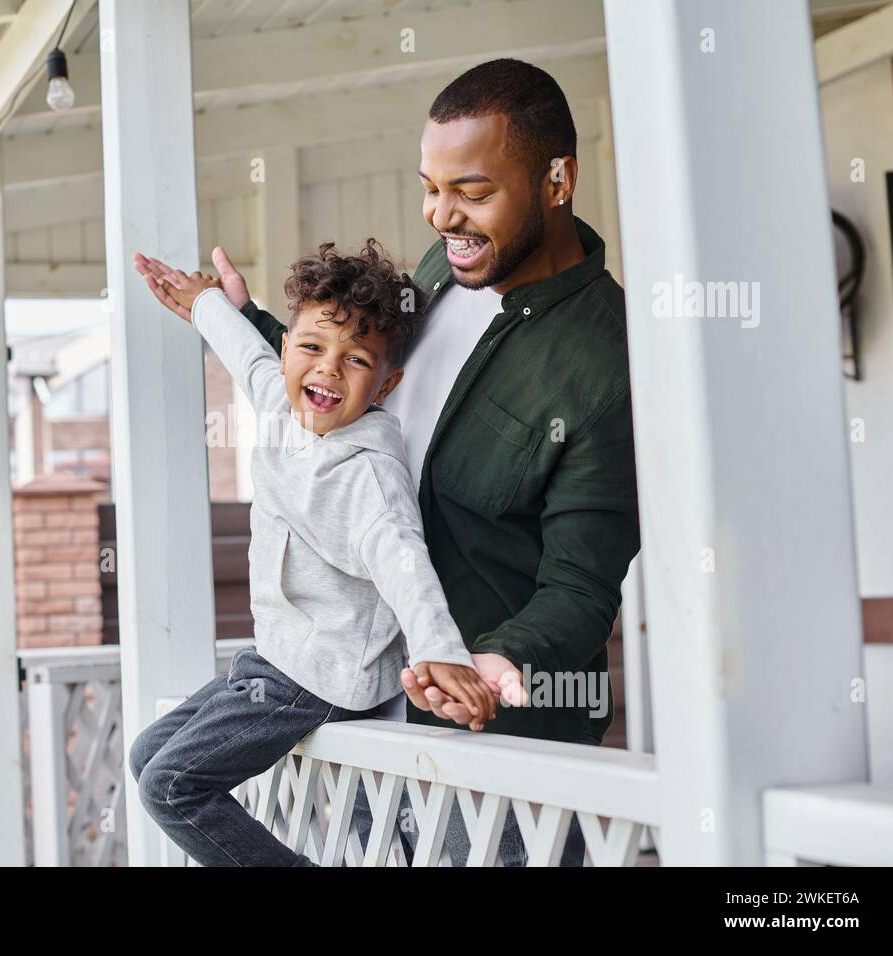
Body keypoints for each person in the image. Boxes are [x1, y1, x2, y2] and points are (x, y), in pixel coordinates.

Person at [136, 58, 640, 866]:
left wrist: (492, 661)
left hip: (500, 763)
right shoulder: (443, 271)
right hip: (368, 718)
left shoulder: (608, 358)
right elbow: (345, 386)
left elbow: (581, 588)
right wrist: (250, 322)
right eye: (429, 189)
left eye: (472, 192)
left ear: (557, 181)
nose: (443, 217)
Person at [128, 240, 502, 866]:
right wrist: (206, 305)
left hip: (319, 676)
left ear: (387, 384)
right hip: (274, 656)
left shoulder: (369, 476)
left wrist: (441, 652)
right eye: (311, 348)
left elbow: (406, 564)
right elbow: (247, 357)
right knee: (147, 756)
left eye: (355, 360)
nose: (328, 370)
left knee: (170, 787)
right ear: (288, 352)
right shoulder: (281, 401)